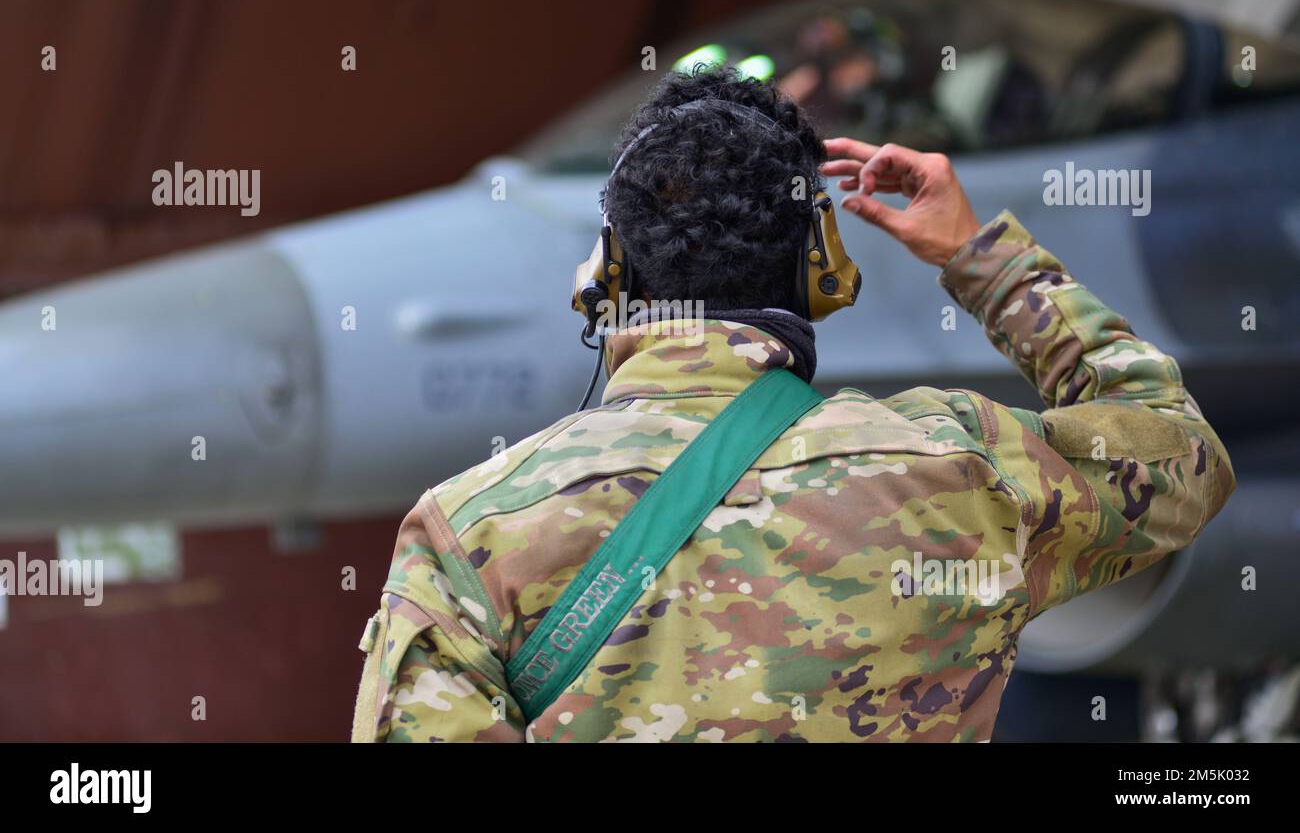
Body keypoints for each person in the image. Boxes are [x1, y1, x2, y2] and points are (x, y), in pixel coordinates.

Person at [351, 66, 1234, 742]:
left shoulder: (465, 537)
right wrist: (983, 257)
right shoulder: (960, 468)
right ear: (823, 266)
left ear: (606, 275)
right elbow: (1180, 454)